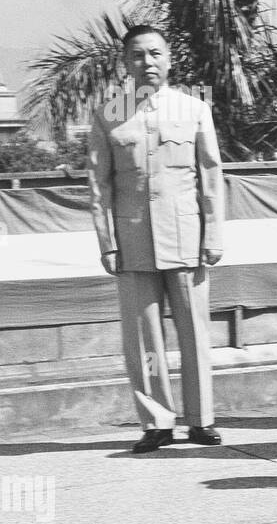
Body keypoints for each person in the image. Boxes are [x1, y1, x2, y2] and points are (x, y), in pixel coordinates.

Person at [86, 25, 225, 453]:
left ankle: (201, 419)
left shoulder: (194, 110)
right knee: (144, 337)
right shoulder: (109, 114)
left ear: (169, 59)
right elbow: (100, 186)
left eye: (155, 54)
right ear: (125, 63)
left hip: (186, 236)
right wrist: (107, 242)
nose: (147, 63)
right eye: (138, 56)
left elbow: (211, 176)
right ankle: (157, 422)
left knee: (194, 331)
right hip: (133, 240)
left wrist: (213, 234)